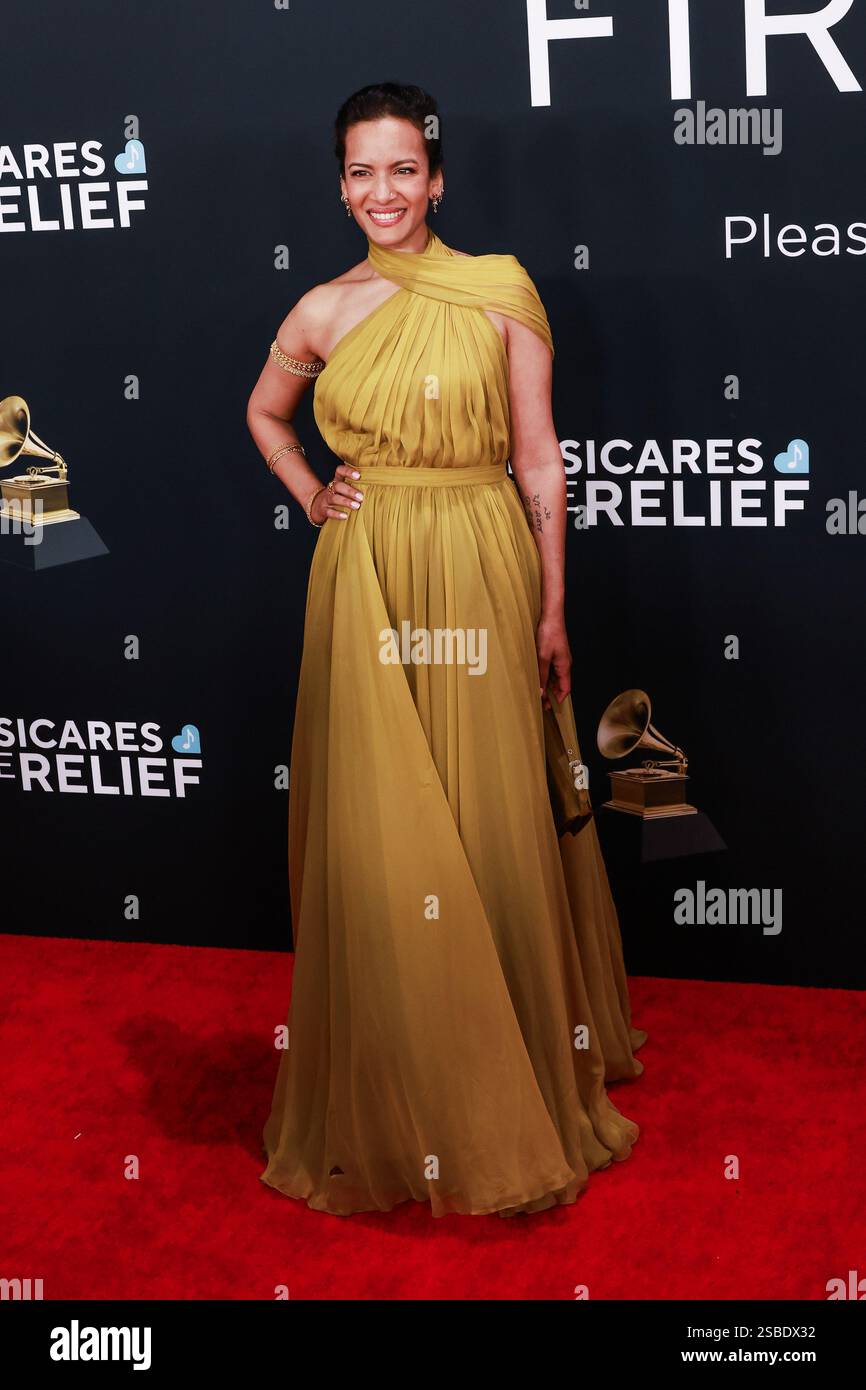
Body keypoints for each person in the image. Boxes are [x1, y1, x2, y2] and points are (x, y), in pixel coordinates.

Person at [246, 81, 646, 1219]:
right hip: (363, 575)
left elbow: (537, 460)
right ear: (339, 185)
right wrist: (309, 491)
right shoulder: (322, 309)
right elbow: (264, 414)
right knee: (383, 828)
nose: (384, 192)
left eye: (403, 170)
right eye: (361, 173)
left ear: (436, 177)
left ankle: (512, 1064)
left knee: (482, 814)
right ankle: (400, 1079)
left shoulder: (496, 289)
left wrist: (552, 607)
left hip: (477, 561)